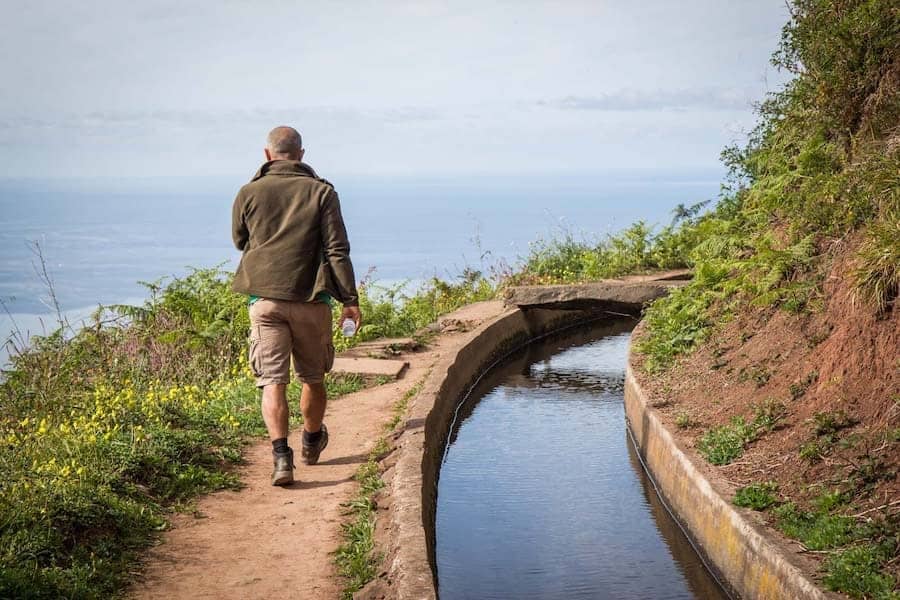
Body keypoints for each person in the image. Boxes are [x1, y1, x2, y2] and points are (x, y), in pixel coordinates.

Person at [231, 126, 361, 486]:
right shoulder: (322, 193)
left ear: (267, 154)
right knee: (313, 378)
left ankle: (281, 459)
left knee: (273, 382)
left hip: (265, 302)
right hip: (311, 301)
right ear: (301, 154)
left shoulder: (248, 192)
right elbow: (337, 250)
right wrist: (350, 300)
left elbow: (240, 240)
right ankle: (310, 440)